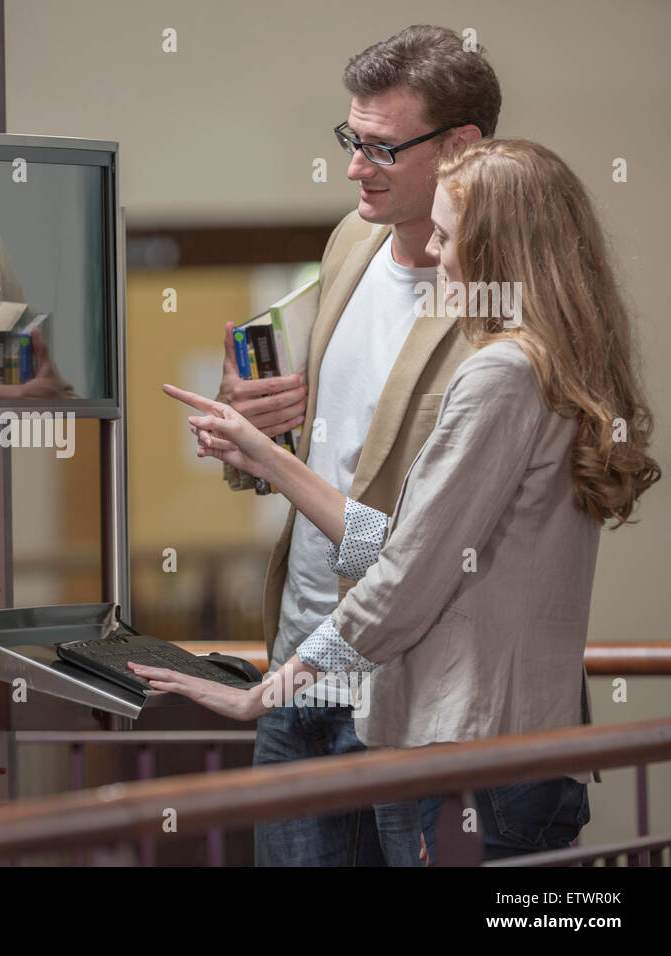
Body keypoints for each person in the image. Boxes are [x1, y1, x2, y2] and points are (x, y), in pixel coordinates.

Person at [143, 138, 661, 863]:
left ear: (498, 251)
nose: (436, 257)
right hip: (504, 756)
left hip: (465, 761)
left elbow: (403, 583)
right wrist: (267, 457)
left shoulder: (500, 376)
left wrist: (265, 692)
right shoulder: (549, 363)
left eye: (447, 237)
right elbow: (406, 548)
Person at [211, 24, 500, 866]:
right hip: (302, 662)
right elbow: (328, 452)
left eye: (379, 147)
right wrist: (256, 434)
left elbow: (437, 533)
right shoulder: (352, 240)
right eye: (349, 139)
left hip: (411, 682)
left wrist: (273, 458)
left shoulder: (503, 309)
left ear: (460, 147)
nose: (352, 167)